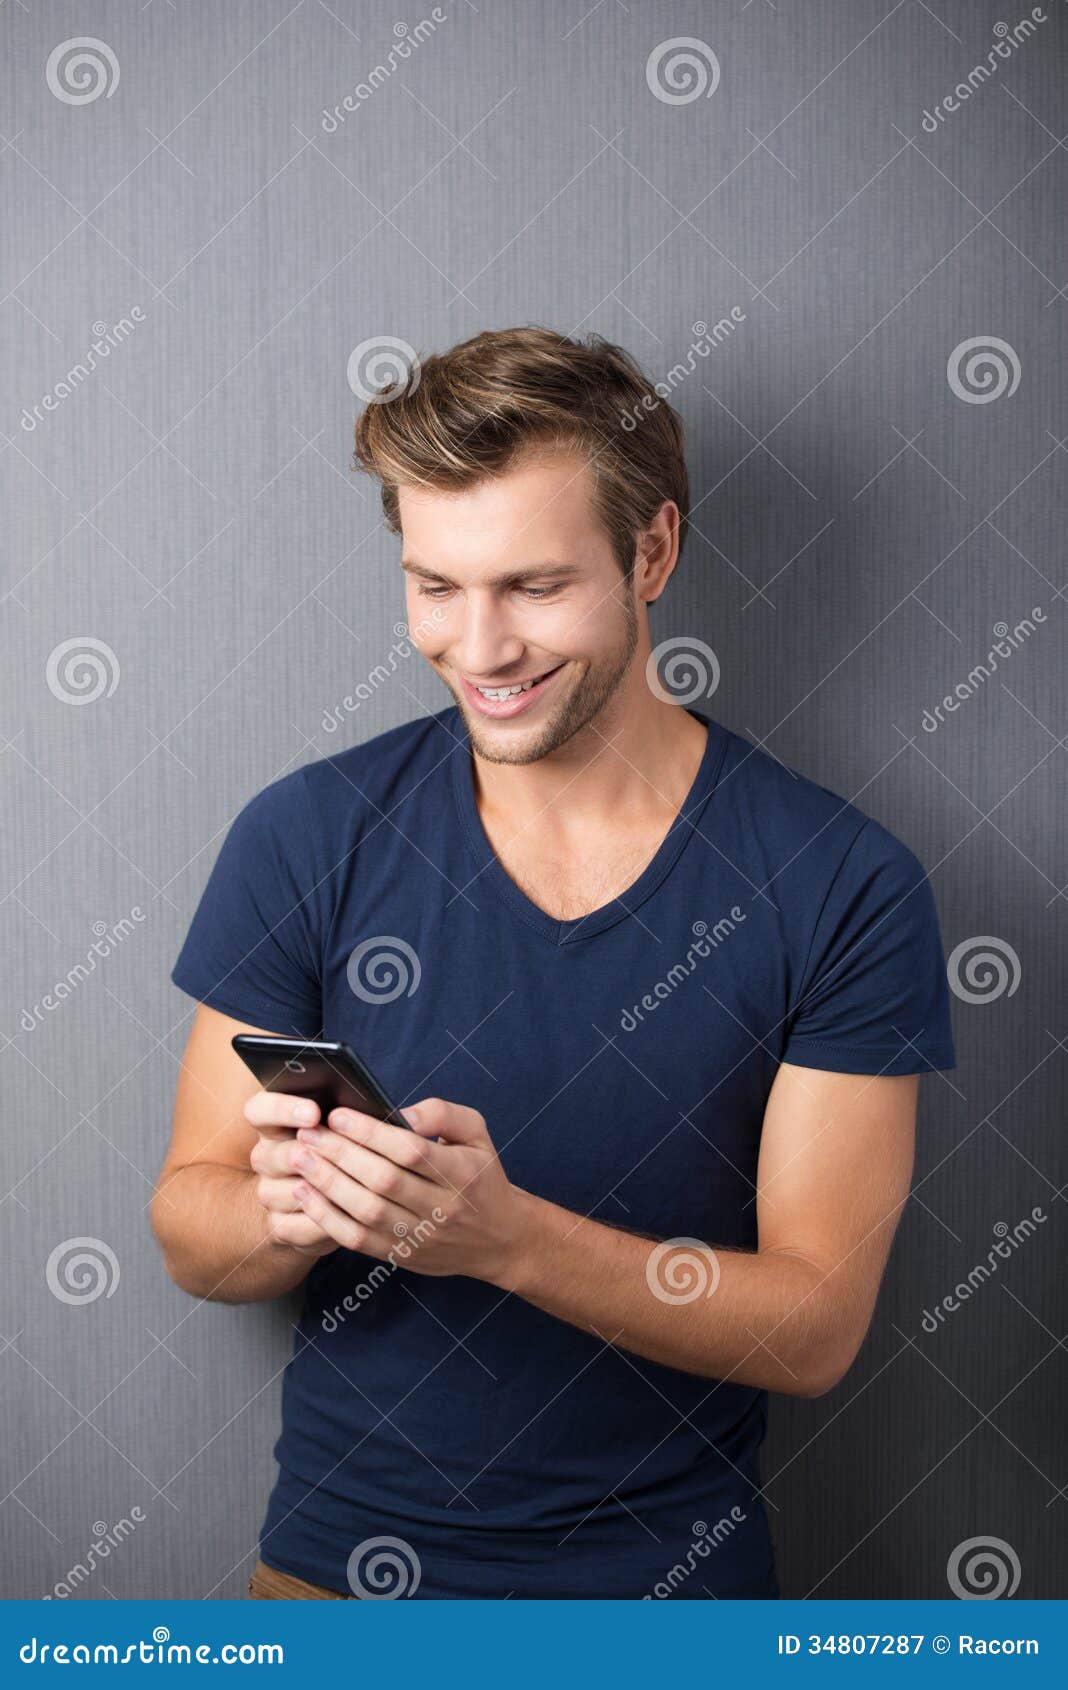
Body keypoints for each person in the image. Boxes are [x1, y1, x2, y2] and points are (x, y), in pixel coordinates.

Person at [152, 326, 957, 1601]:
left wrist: (505, 1238)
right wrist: (296, 1207)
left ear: (653, 553)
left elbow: (813, 1328)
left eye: (533, 587)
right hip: (333, 1596)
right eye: (436, 586)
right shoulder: (306, 834)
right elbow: (192, 1233)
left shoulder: (841, 883)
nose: (479, 649)